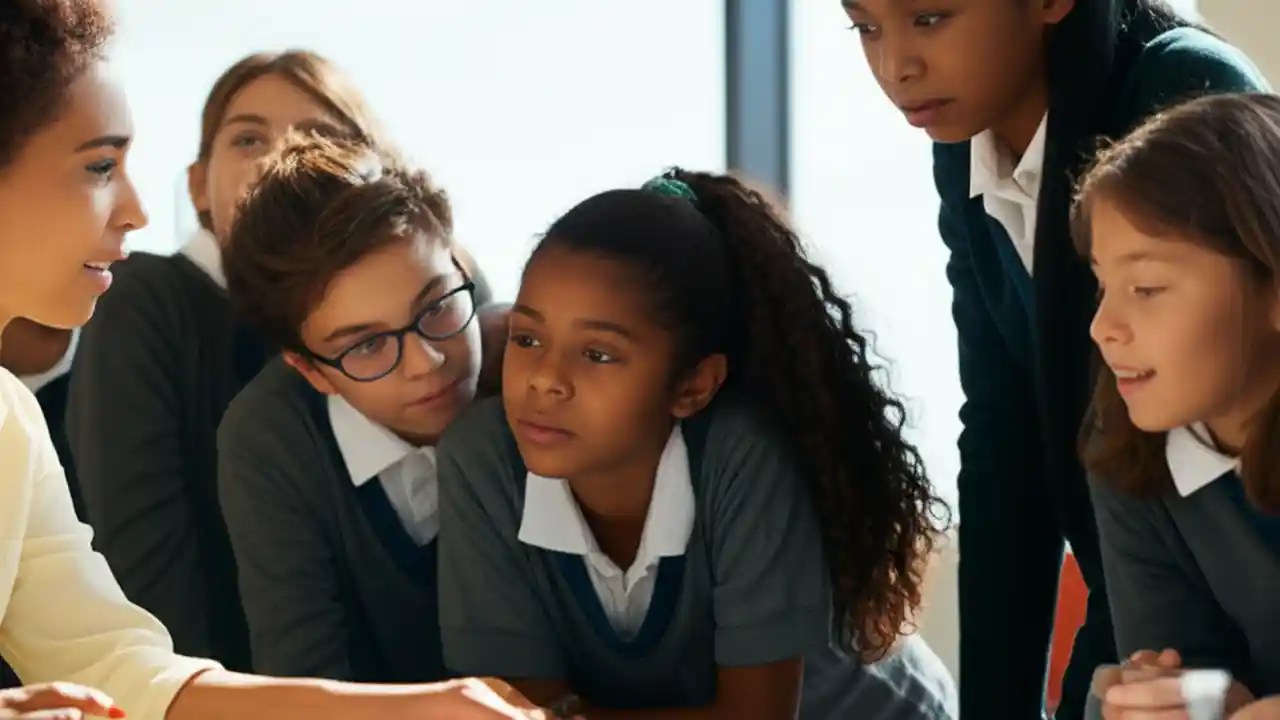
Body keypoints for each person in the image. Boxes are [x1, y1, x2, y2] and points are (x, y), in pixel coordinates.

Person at [0, 1, 545, 717]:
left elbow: (118, 667)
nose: (136, 208)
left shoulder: (14, 422)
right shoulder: (231, 393)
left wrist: (412, 710)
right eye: (101, 165)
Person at [840, 0, 1268, 715]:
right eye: (866, 26)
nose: (897, 66)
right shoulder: (966, 144)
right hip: (1164, 598)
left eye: (932, 17)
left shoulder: (1183, 92)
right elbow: (1007, 440)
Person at [437, 169, 952, 718]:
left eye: (598, 354)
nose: (544, 379)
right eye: (529, 338)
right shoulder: (482, 460)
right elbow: (512, 710)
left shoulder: (740, 458)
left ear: (693, 386)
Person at [65, 48, 387, 670]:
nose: (281, 157)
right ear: (198, 185)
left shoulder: (426, 324)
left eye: (319, 135)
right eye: (247, 139)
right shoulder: (146, 300)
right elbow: (147, 569)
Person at [216, 132, 487, 681]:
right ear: (311, 371)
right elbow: (305, 682)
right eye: (367, 346)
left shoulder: (537, 378)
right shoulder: (272, 440)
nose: (426, 361)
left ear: (461, 265)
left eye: (436, 305)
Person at [1071, 93, 1280, 719]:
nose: (1103, 326)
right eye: (1103, 284)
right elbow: (1194, 672)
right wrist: (1172, 700)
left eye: (1148, 288)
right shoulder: (1129, 449)